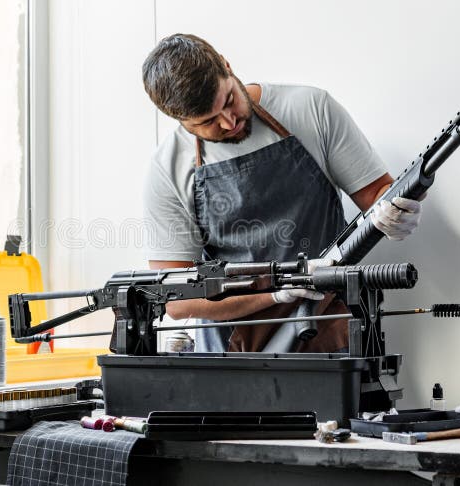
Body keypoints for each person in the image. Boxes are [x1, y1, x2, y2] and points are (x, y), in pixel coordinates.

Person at [141, 33, 422, 353]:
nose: (229, 121)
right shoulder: (168, 170)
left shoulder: (311, 109)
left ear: (227, 65)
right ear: (180, 120)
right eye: (208, 122)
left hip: (330, 330)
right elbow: (178, 302)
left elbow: (379, 196)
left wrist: (398, 212)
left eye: (229, 99)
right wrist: (276, 293)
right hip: (231, 356)